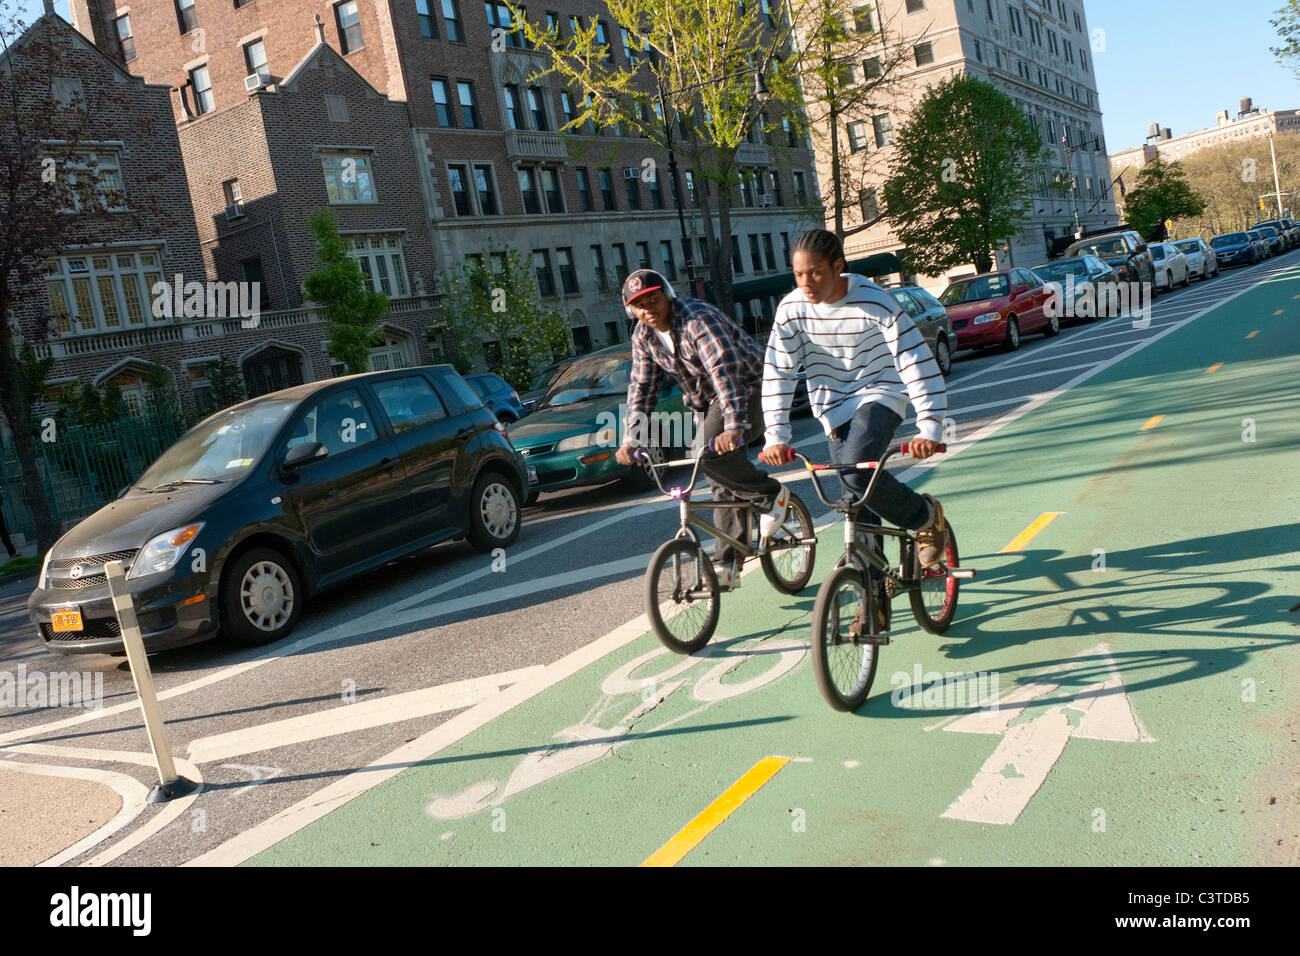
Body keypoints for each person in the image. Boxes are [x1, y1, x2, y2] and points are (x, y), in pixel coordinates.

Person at [759, 229, 950, 626]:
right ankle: (874, 600)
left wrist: (929, 425)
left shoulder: (874, 301)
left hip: (880, 393)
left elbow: (914, 359)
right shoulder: (792, 310)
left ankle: (923, 517)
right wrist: (776, 435)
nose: (806, 283)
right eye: (799, 275)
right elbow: (778, 372)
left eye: (815, 273)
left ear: (838, 266)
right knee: (854, 503)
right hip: (831, 408)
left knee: (858, 473)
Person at [614, 269, 788, 586]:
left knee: (708, 455)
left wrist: (733, 427)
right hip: (708, 402)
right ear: (632, 310)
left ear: (667, 296)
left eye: (653, 299)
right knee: (716, 471)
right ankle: (728, 561)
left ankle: (770, 495)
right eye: (639, 304)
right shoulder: (643, 335)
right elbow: (642, 388)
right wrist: (631, 439)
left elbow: (725, 373)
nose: (648, 308)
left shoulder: (697, 319)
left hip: (751, 388)